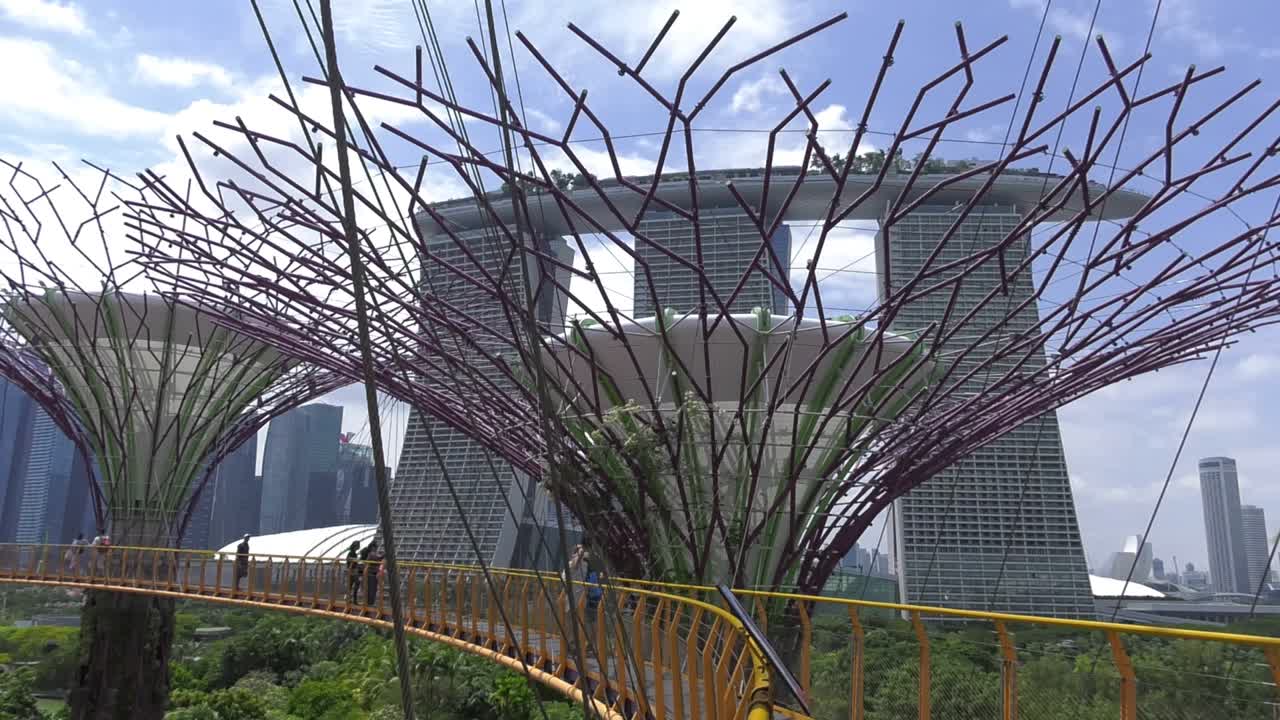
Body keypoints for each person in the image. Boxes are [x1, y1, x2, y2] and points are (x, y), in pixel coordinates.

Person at [363, 542, 384, 607]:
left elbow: (378, 559)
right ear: (372, 547)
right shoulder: (371, 554)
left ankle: (370, 602)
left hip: (373, 573)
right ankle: (370, 603)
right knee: (371, 589)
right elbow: (377, 558)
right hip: (371, 573)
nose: (376, 548)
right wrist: (385, 554)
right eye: (375, 547)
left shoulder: (373, 554)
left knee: (373, 589)